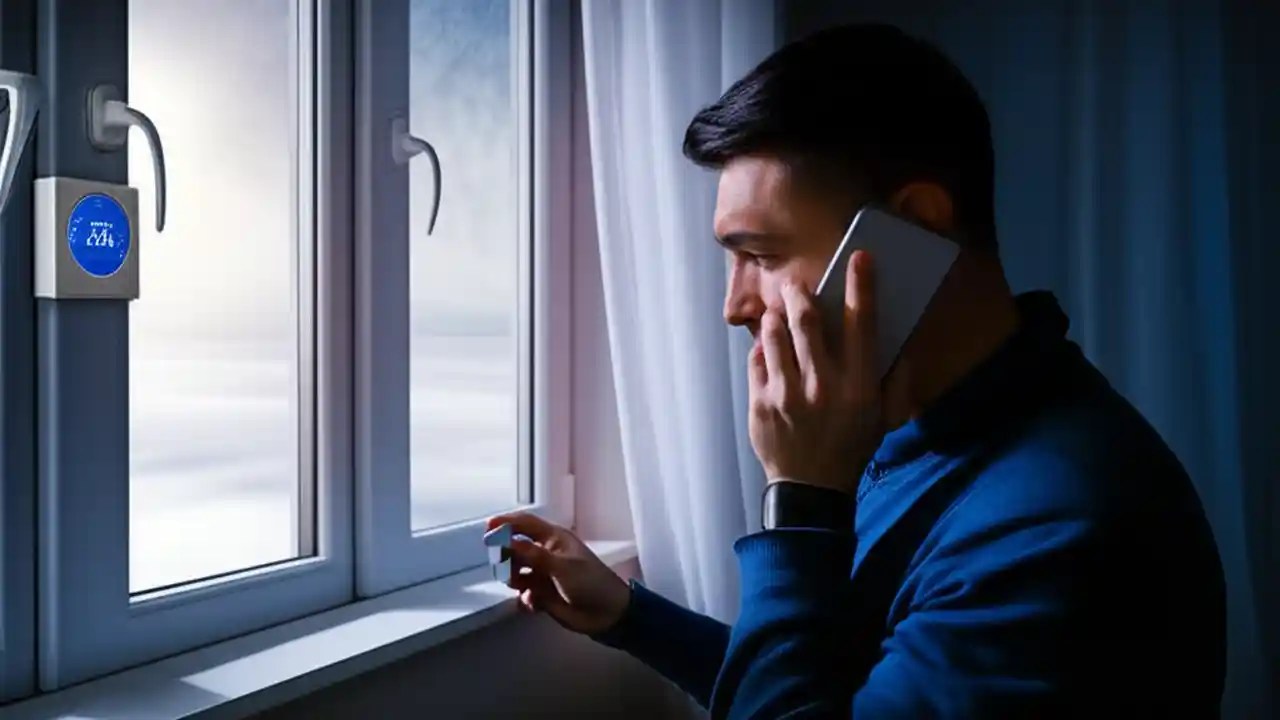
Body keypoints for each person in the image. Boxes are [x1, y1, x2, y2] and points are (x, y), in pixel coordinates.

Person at [487, 23, 1225, 719]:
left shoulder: (1055, 529)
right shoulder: (930, 433)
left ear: (918, 228)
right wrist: (632, 616)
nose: (735, 306)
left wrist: (801, 501)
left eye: (764, 257)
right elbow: (838, 691)